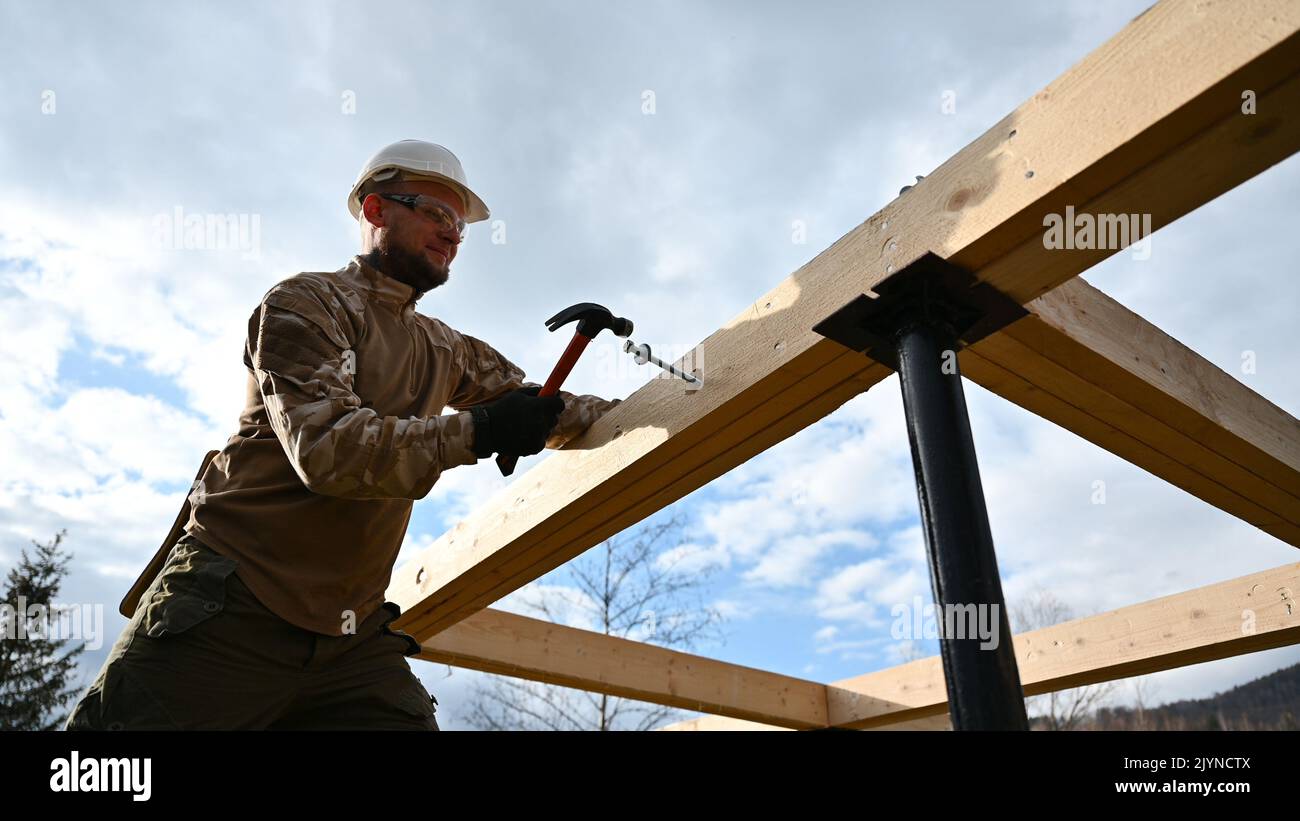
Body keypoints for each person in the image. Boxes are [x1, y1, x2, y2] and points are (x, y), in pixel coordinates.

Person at [65, 140, 621, 730]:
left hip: (349, 639)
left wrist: (648, 407)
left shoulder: (443, 347)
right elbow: (330, 451)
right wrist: (480, 431)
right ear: (377, 211)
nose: (453, 234)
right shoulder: (305, 305)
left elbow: (539, 407)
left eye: (459, 225)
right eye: (435, 214)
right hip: (229, 606)